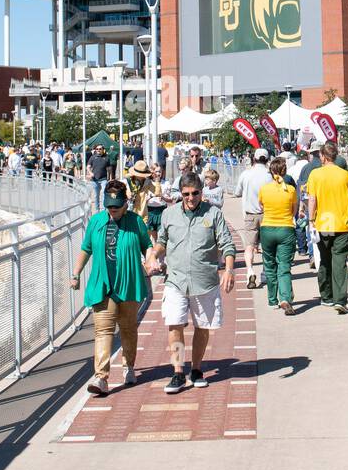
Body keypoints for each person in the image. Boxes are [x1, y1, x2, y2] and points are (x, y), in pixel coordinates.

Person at [146, 172, 236, 393]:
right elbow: (163, 242)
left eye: (195, 193)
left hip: (205, 280)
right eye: (186, 194)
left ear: (201, 192)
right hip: (176, 280)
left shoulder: (213, 214)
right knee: (174, 324)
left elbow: (227, 244)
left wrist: (228, 270)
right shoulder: (169, 215)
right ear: (181, 194)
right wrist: (153, 255)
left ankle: (196, 369)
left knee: (203, 327)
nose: (191, 197)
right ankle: (178, 371)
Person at [70, 180, 152, 395]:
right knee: (103, 331)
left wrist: (151, 260)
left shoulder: (135, 222)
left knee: (128, 329)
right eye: (109, 206)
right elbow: (86, 249)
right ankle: (101, 378)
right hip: (103, 285)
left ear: (126, 203)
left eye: (116, 206)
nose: (112, 210)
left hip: (129, 284)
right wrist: (75, 273)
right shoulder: (96, 221)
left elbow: (148, 246)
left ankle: (129, 367)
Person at [306, 141, 348, 313]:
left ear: (322, 156)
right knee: (340, 262)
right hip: (342, 224)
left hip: (322, 224)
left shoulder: (315, 174)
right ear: (335, 156)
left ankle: (326, 296)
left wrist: (311, 219)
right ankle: (340, 300)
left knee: (324, 259)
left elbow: (312, 199)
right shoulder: (345, 175)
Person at [258, 156, 299, 314]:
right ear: (285, 171)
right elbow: (293, 211)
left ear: (271, 171)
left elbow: (261, 206)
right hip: (286, 229)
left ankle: (272, 299)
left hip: (267, 228)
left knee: (269, 264)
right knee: (284, 266)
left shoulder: (264, 189)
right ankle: (285, 298)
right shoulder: (291, 190)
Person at [238, 148, 274, 289]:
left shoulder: (246, 174)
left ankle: (250, 271)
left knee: (249, 246)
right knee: (267, 247)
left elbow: (237, 192)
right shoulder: (270, 175)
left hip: (250, 215)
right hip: (267, 214)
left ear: (254, 158)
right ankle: (265, 273)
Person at [85, 143, 112, 209]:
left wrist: (111, 178)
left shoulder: (106, 158)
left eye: (100, 149)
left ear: (103, 150)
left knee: (103, 193)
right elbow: (88, 166)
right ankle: (97, 210)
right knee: (96, 195)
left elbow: (109, 169)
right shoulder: (93, 157)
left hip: (104, 179)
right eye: (97, 149)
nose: (98, 150)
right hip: (95, 180)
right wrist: (90, 173)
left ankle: (104, 209)